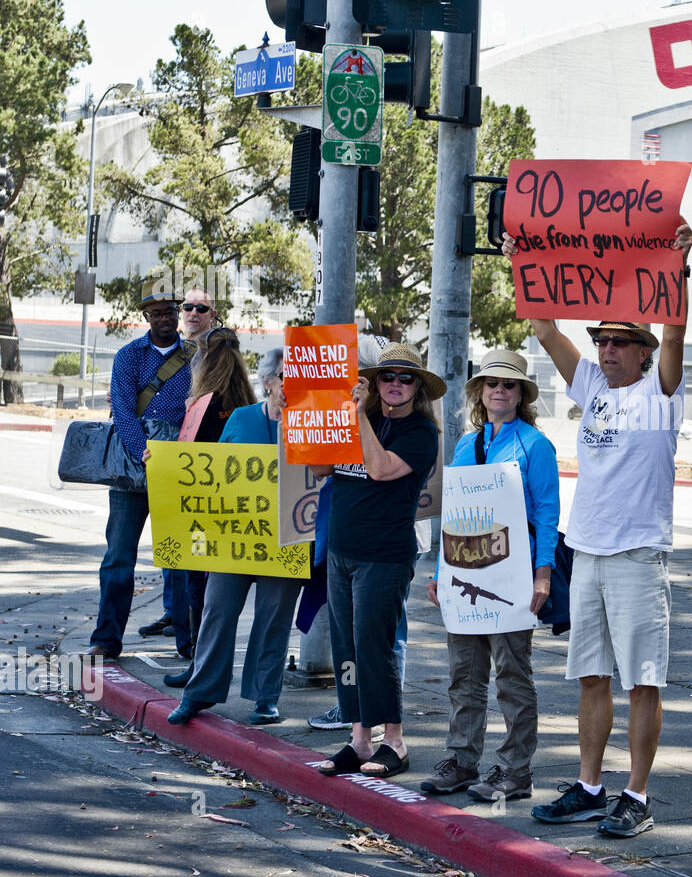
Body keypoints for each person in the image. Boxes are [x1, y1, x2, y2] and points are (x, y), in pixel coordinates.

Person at [505, 221, 692, 839]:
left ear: (641, 351)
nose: (607, 349)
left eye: (619, 342)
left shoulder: (661, 394)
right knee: (591, 675)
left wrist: (679, 266)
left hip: (638, 555)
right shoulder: (591, 387)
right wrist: (522, 261)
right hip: (585, 553)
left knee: (643, 680)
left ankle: (637, 794)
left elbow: (675, 331)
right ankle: (589, 787)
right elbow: (545, 329)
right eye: (602, 340)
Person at [421, 349, 560, 803]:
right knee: (464, 673)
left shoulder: (536, 446)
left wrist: (543, 576)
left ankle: (516, 770)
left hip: (512, 575)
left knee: (512, 676)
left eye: (509, 384)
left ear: (522, 394)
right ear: (480, 392)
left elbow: (546, 512)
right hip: (464, 569)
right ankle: (462, 760)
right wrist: (441, 572)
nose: (499, 390)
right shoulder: (466, 444)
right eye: (492, 384)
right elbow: (453, 515)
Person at [313, 344, 443, 779]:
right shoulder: (359, 418)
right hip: (341, 549)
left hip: (384, 556)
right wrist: (323, 415)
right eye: (387, 376)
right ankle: (359, 738)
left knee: (376, 646)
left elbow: (380, 469)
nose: (395, 384)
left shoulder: (421, 432)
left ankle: (395, 742)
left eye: (405, 378)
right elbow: (321, 469)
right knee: (346, 648)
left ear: (418, 387)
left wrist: (359, 417)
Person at [167, 349, 305, 725]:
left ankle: (265, 698)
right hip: (234, 539)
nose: (293, 384)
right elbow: (203, 470)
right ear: (268, 382)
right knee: (217, 611)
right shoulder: (241, 418)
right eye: (285, 375)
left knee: (274, 618)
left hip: (288, 540)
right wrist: (160, 465)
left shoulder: (312, 426)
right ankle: (198, 694)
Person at [87, 282, 193, 660]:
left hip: (180, 472)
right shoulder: (128, 356)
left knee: (180, 560)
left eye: (170, 311)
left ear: (177, 314)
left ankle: (188, 642)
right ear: (146, 317)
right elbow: (124, 411)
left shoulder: (196, 357)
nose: (165, 318)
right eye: (157, 313)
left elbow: (200, 410)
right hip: (133, 472)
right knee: (118, 557)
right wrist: (143, 452)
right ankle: (106, 639)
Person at [160, 328, 259, 690]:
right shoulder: (249, 403)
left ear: (204, 360)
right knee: (224, 600)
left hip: (203, 516)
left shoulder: (203, 405)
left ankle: (197, 665)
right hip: (241, 514)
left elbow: (189, 458)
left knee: (199, 591)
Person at [142, 286, 221, 640]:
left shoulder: (219, 351)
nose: (192, 313)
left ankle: (192, 626)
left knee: (195, 550)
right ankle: (175, 614)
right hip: (169, 457)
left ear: (212, 314)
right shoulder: (175, 351)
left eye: (200, 308)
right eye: (186, 307)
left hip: (203, 461)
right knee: (171, 542)